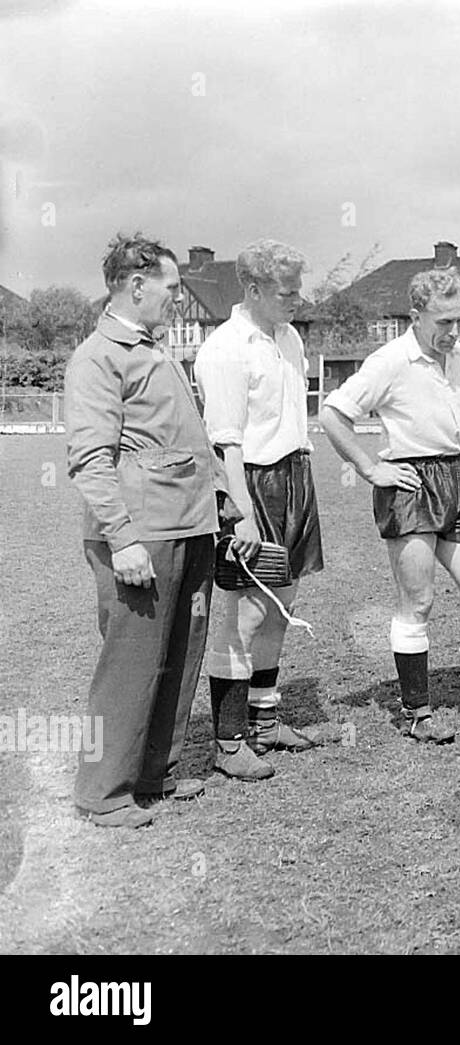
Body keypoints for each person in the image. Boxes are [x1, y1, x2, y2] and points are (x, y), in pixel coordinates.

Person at [321, 268, 460, 733]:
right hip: (409, 485)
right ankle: (416, 713)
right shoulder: (390, 360)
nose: (454, 331)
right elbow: (334, 414)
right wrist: (369, 467)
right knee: (417, 605)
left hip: (456, 478)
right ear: (416, 315)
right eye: (443, 322)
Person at [66, 233, 234, 827]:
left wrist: (223, 504)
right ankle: (102, 792)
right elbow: (90, 459)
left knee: (180, 653)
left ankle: (153, 772)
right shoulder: (99, 356)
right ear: (135, 286)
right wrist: (123, 539)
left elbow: (184, 438)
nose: (176, 301)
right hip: (142, 535)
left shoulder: (152, 349)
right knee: (132, 660)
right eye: (169, 289)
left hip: (188, 527)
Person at [194, 239, 323, 781]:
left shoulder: (288, 337)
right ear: (252, 290)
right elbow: (226, 442)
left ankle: (265, 721)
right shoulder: (225, 349)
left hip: (295, 477)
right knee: (245, 612)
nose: (297, 299)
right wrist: (241, 514)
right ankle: (228, 741)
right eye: (285, 291)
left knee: (280, 606)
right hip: (251, 486)